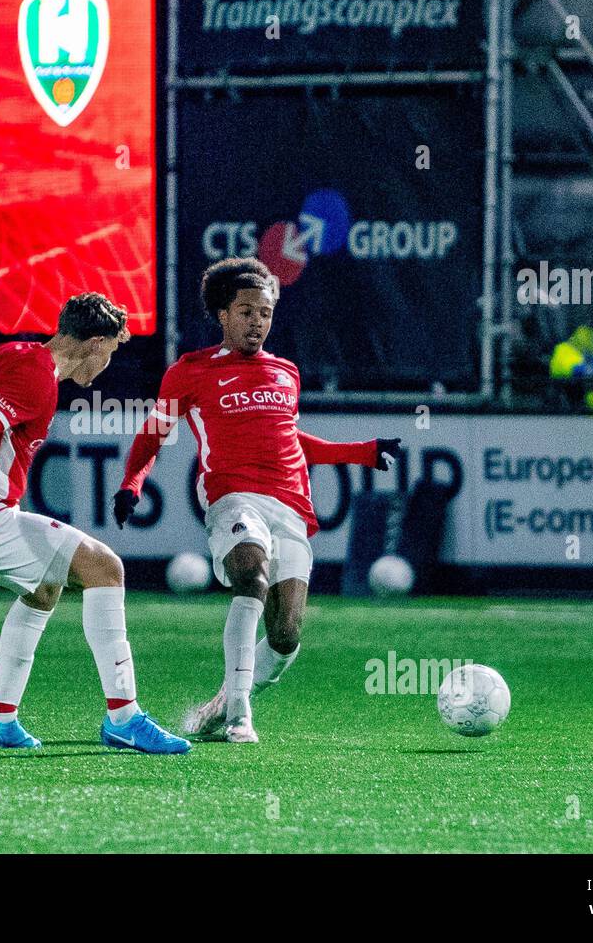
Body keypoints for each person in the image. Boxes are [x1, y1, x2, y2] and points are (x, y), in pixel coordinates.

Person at [115, 258, 400, 743]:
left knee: (286, 636)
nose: (257, 323)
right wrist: (132, 482)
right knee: (252, 574)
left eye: (264, 313)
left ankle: (220, 704)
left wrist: (362, 453)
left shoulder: (286, 372)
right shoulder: (191, 372)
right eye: (246, 312)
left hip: (291, 505)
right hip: (233, 497)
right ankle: (239, 715)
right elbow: (154, 433)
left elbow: (288, 441)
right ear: (223, 315)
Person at [0, 292, 190, 754]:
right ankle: (124, 717)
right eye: (112, 352)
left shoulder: (3, 353)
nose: (108, 364)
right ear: (96, 343)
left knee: (43, 590)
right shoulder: (38, 379)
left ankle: (1, 721)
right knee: (106, 568)